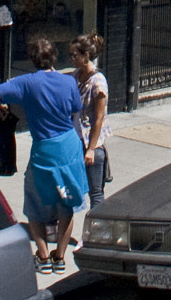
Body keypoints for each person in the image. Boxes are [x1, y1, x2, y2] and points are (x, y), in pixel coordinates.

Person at [0, 38, 88, 274]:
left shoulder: (26, 82)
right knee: (67, 205)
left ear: (32, 60)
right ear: (55, 58)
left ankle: (42, 255)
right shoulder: (68, 81)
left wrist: (1, 103)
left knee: (34, 205)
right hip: (70, 148)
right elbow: (75, 108)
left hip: (44, 151)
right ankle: (60, 257)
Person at [70, 34, 111, 211]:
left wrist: (92, 149)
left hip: (91, 144)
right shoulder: (76, 76)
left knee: (95, 193)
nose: (71, 58)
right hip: (76, 139)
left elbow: (99, 118)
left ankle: (95, 232)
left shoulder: (98, 81)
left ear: (85, 56)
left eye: (74, 55)